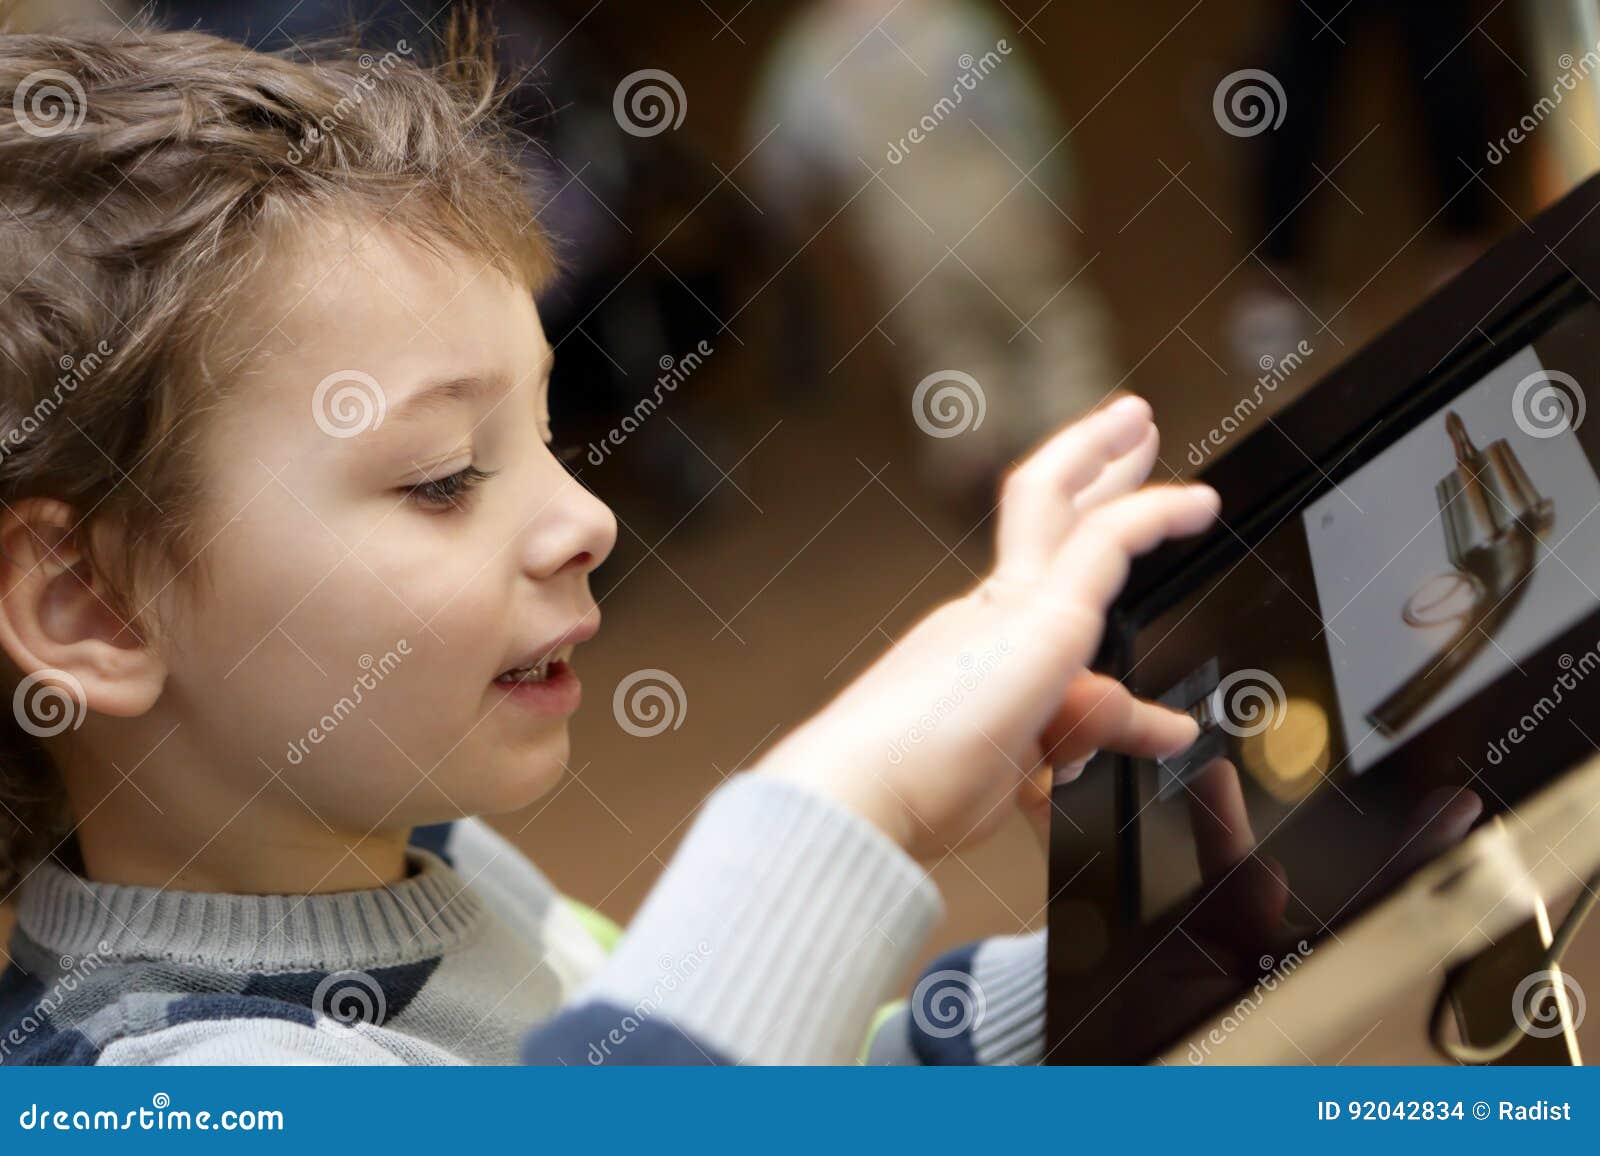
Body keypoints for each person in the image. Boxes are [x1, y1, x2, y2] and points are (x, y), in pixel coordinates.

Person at [0, 17, 1215, 1065]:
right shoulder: (153, 1080)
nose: (587, 518)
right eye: (440, 478)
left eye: (543, 432)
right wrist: (849, 803)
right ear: (91, 606)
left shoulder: (437, 861)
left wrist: (1123, 954)